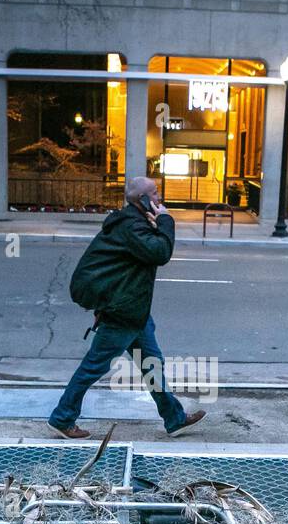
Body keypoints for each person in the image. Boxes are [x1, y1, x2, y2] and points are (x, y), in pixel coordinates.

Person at [48, 177, 206, 440]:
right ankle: (62, 418)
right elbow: (160, 252)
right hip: (123, 313)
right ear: (142, 200)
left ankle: (175, 419)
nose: (159, 197)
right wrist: (166, 220)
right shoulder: (131, 226)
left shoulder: (134, 223)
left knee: (153, 365)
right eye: (155, 193)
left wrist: (155, 223)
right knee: (93, 367)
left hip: (135, 312)